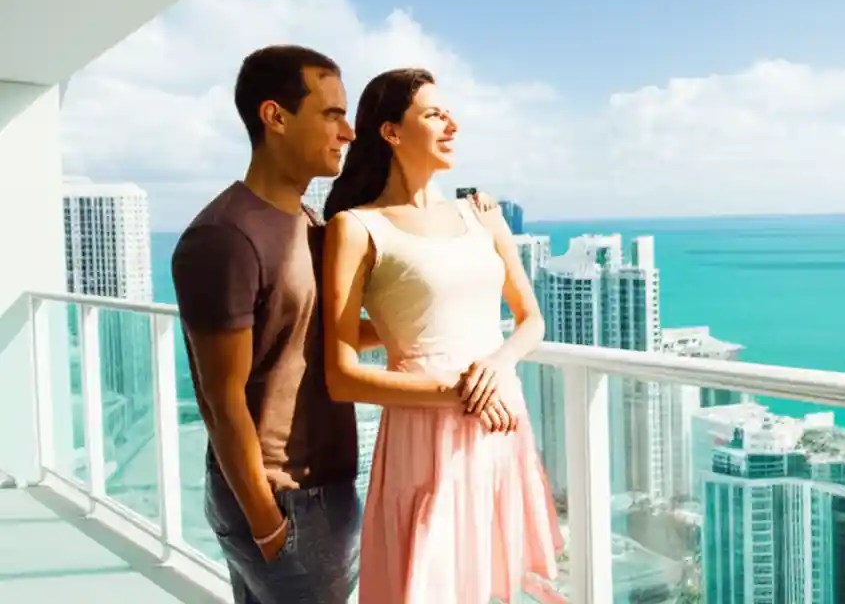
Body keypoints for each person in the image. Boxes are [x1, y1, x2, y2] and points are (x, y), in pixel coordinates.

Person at [171, 45, 497, 604]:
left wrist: (439, 325)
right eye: (331, 114)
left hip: (319, 490)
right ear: (275, 117)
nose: (348, 133)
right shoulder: (225, 236)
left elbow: (312, 334)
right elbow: (221, 401)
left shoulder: (304, 221)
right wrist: (266, 522)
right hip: (284, 496)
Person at [321, 67, 561, 604]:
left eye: (450, 113)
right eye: (434, 115)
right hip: (425, 434)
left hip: (500, 424)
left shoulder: (482, 216)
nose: (453, 125)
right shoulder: (356, 227)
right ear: (391, 131)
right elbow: (341, 377)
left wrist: (497, 365)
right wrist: (461, 392)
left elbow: (531, 320)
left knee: (488, 581)